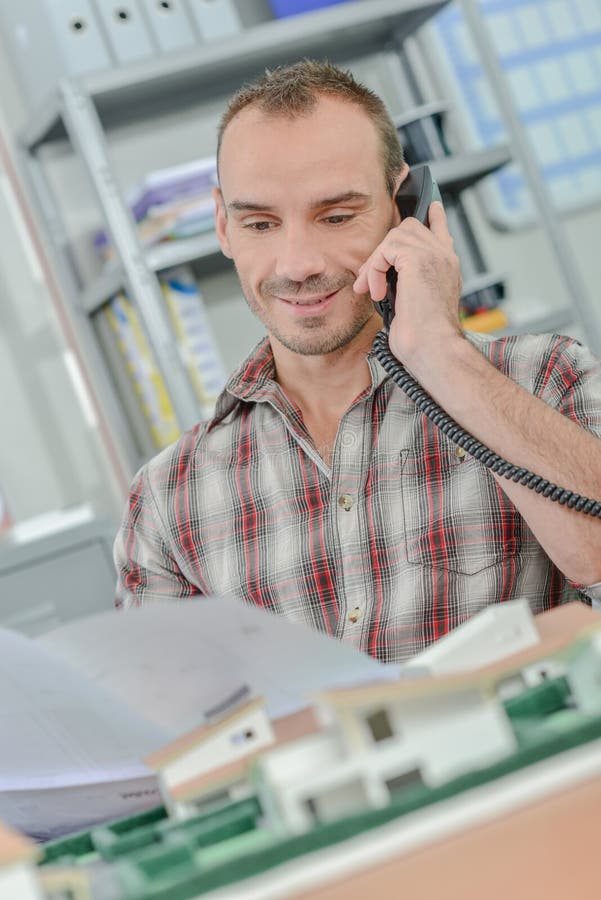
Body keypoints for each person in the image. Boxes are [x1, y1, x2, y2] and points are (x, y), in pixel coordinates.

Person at [114, 60, 601, 662]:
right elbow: (175, 729)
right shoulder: (169, 498)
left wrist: (441, 354)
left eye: (337, 216)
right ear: (223, 225)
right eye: (260, 223)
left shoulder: (547, 379)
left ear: (407, 208)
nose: (297, 263)